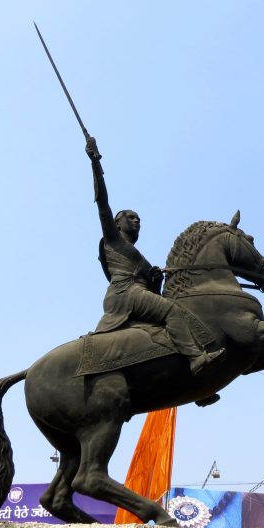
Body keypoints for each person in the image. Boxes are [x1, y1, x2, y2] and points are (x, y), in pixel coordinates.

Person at [85, 135, 224, 374]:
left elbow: (151, 297)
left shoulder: (137, 255)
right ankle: (196, 359)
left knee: (171, 318)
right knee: (172, 311)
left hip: (135, 293)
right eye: (131, 217)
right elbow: (103, 204)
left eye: (139, 219)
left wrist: (156, 280)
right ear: (117, 223)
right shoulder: (113, 239)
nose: (137, 220)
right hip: (124, 293)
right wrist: (95, 163)